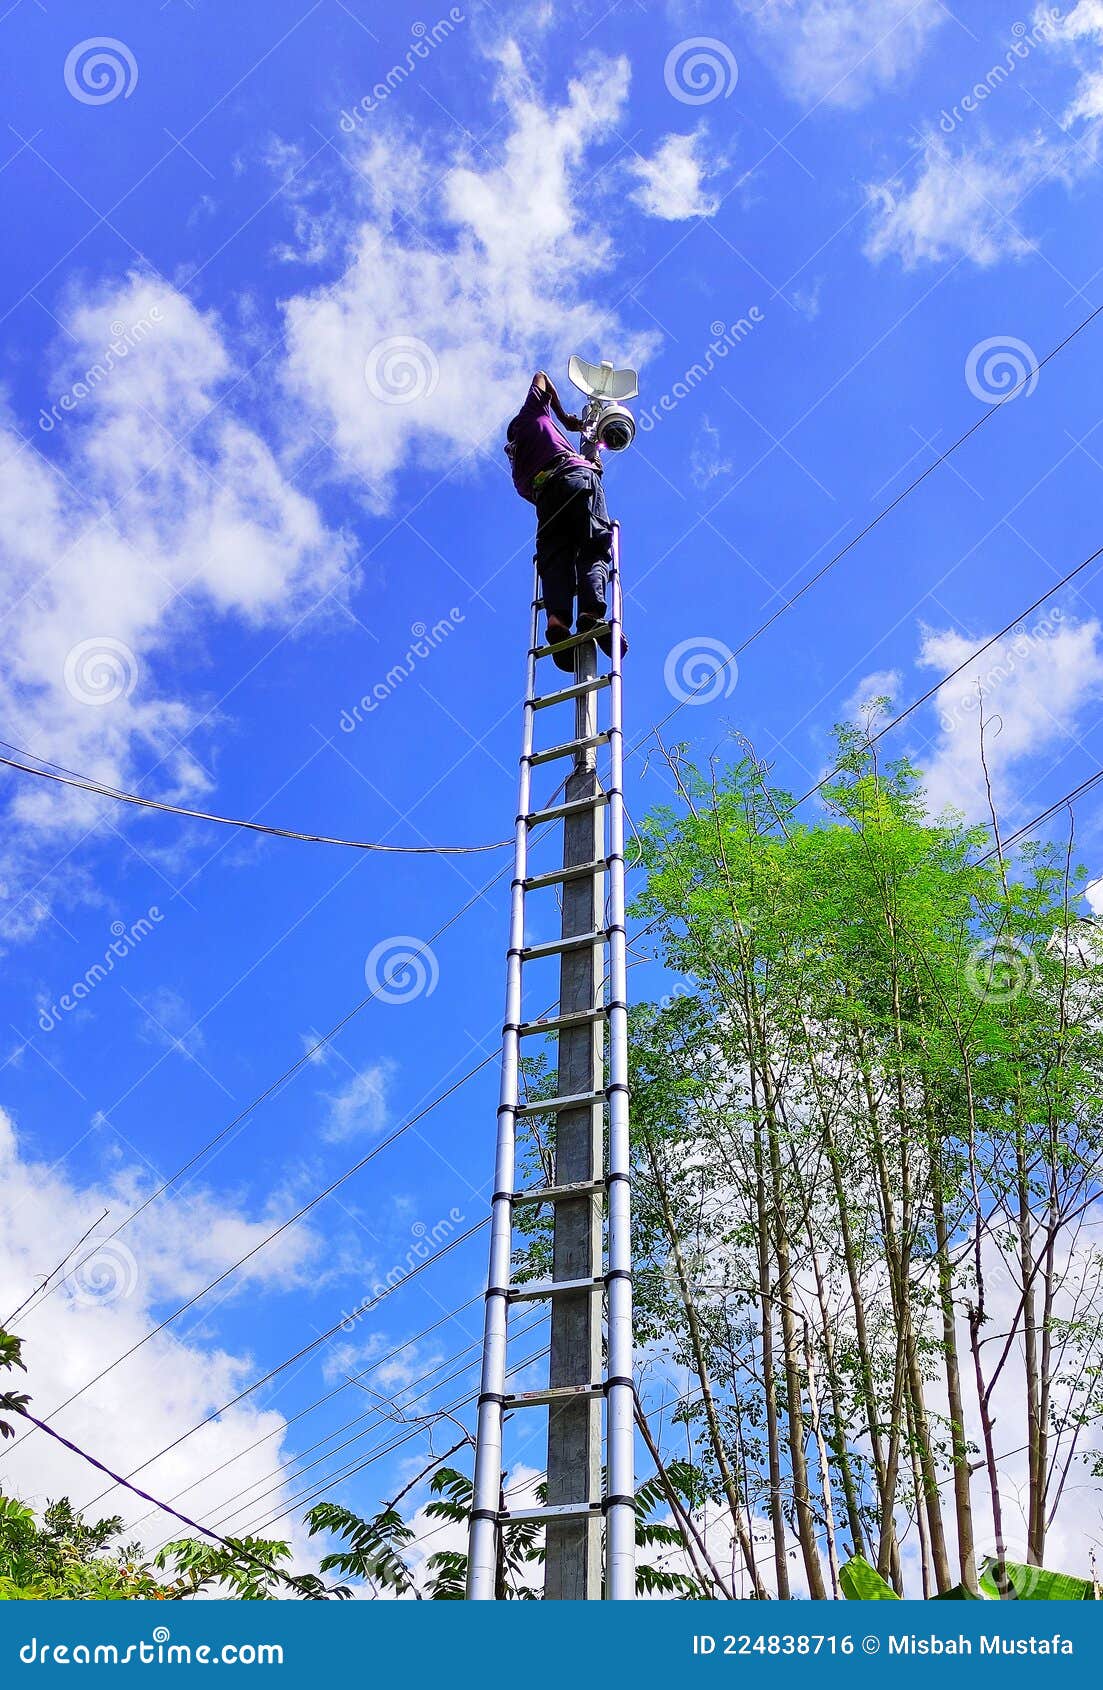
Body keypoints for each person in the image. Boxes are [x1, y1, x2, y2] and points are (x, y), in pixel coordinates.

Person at [504, 370, 626, 672]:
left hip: (546, 500)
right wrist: (565, 419)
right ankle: (590, 612)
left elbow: (538, 494)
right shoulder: (531, 417)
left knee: (556, 559)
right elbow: (541, 377)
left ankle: (557, 620)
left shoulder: (517, 470)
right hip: (575, 477)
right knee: (593, 545)